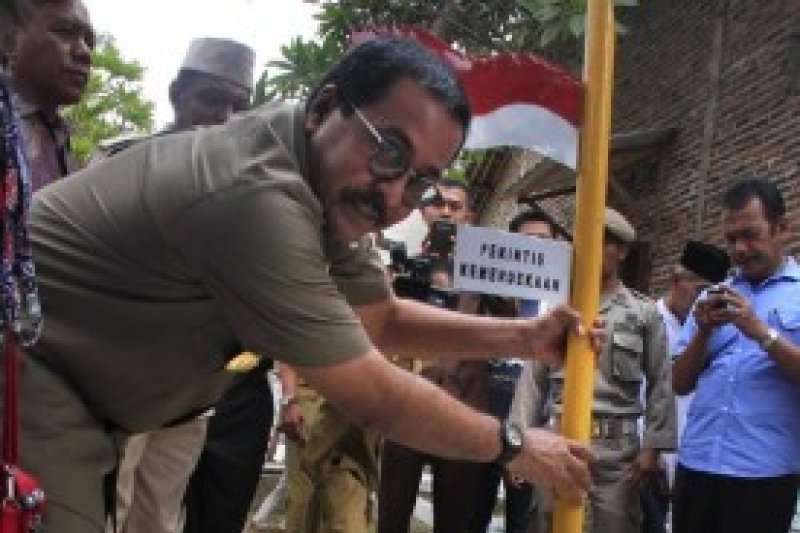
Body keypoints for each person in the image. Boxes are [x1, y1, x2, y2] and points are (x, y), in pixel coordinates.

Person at [15, 37, 599, 533]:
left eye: (421, 181)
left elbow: (385, 320)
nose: (395, 196)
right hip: (34, 381)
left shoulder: (318, 179)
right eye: (389, 151)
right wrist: (517, 444)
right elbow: (373, 393)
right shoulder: (257, 197)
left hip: (99, 405)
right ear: (325, 108)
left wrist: (524, 337)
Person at [100, 36, 258, 533]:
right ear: (177, 94)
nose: (224, 117)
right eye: (212, 99)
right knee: (106, 509)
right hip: (116, 380)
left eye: (239, 106)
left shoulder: (252, 193)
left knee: (160, 517)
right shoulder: (120, 164)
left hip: (193, 389)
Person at [511, 207, 677, 533]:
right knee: (548, 522)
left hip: (618, 451)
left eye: (604, 243)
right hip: (560, 441)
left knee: (616, 524)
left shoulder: (641, 313)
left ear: (624, 251)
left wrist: (652, 447)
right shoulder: (559, 309)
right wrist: (519, 442)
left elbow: (661, 379)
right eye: (584, 241)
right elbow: (532, 380)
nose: (591, 250)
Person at [672, 178, 800, 533]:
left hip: (762, 473)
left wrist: (759, 331)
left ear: (782, 228)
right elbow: (679, 384)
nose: (740, 249)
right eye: (731, 239)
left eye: (751, 234)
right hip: (697, 463)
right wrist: (703, 332)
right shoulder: (713, 294)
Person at [378, 179, 490, 533]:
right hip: (404, 410)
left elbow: (521, 316)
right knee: (390, 517)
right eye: (437, 204)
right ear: (422, 210)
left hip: (463, 410)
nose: (445, 212)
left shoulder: (489, 274)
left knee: (455, 521)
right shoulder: (399, 265)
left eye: (455, 207)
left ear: (468, 218)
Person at [468, 207, 558, 533]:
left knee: (522, 521)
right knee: (471, 513)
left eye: (544, 240)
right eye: (527, 241)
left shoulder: (564, 304)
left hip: (533, 428)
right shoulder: (484, 294)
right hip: (482, 419)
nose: (535, 247)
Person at [0, 0, 94, 189]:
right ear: (10, 42)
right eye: (65, 32)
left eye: (89, 41)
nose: (85, 52)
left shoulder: (58, 135)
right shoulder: (7, 129)